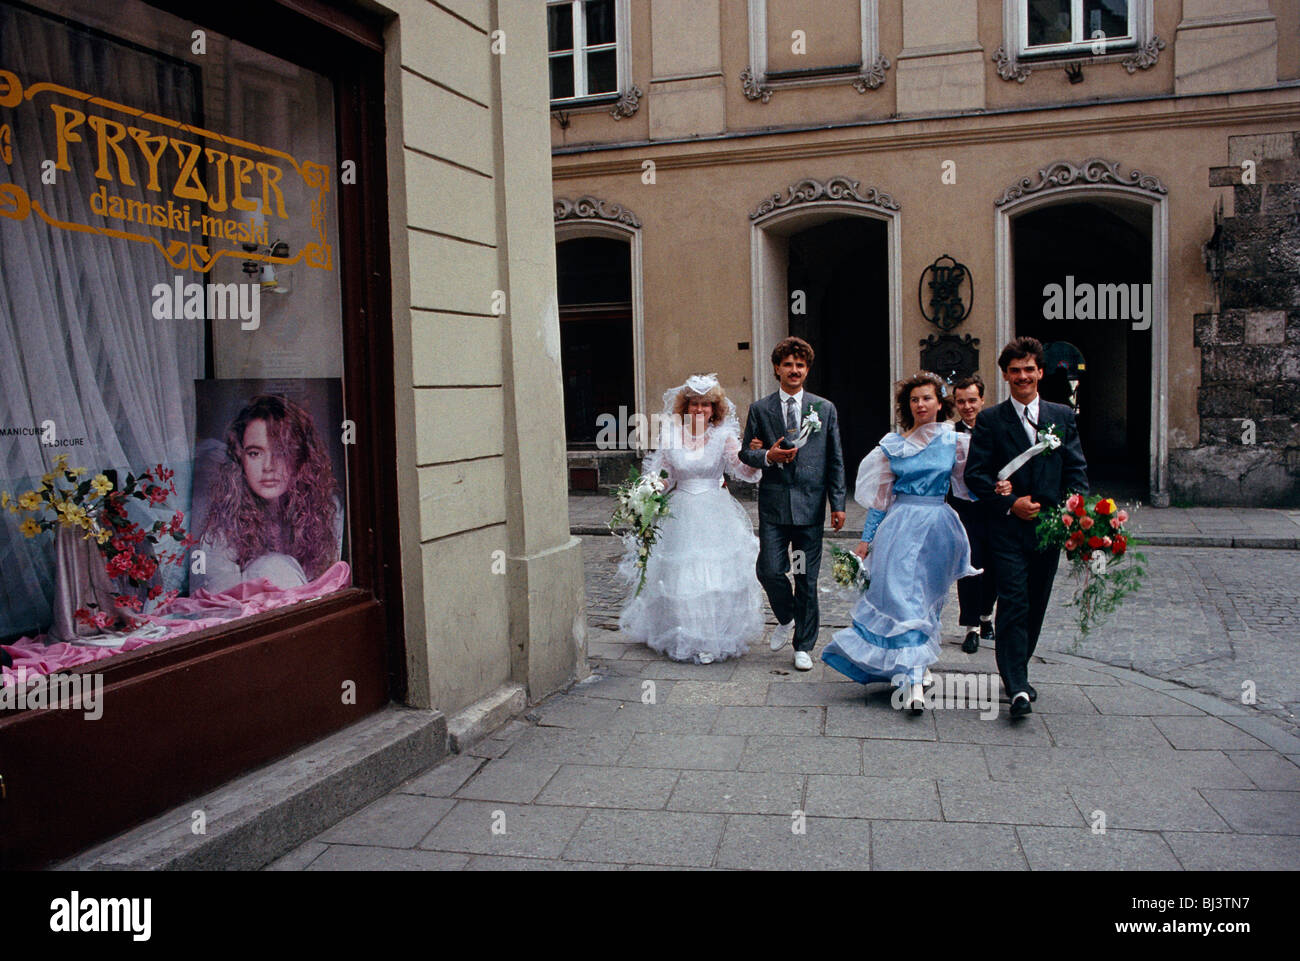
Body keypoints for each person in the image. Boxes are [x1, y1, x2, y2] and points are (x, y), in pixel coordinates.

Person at [821, 372, 979, 712]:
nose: (921, 404)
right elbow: (881, 502)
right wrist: (866, 541)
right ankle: (912, 680)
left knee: (924, 602)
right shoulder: (893, 446)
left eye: (927, 398)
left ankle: (917, 667)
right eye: (914, 399)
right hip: (900, 528)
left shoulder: (955, 441)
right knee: (903, 601)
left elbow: (971, 486)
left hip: (938, 528)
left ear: (940, 402)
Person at [965, 337, 1088, 719]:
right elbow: (976, 474)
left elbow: (1076, 470)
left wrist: (1078, 513)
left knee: (1036, 602)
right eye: (1015, 371)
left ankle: (1019, 667)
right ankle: (1016, 683)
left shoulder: (1061, 416)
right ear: (1005, 375)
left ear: (1040, 372)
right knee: (1014, 601)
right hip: (1006, 530)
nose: (1023, 376)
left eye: (1029, 370)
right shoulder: (990, 420)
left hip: (1048, 528)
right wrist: (1009, 503)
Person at [618, 374, 765, 664]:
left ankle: (712, 636)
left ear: (715, 409)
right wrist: (646, 493)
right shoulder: (671, 435)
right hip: (680, 512)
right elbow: (664, 476)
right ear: (685, 408)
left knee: (713, 576)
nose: (699, 410)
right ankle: (683, 633)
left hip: (715, 511)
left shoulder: (725, 436)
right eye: (694, 404)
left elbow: (742, 471)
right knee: (681, 577)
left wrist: (757, 456)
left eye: (706, 405)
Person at [739, 337, 846, 671]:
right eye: (788, 364)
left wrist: (838, 503)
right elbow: (747, 452)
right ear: (777, 368)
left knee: (805, 577)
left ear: (807, 370)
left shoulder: (823, 409)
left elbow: (836, 459)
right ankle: (785, 616)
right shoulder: (761, 409)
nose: (794, 370)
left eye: (800, 365)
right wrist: (767, 455)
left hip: (810, 508)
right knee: (769, 569)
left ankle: (804, 645)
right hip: (774, 506)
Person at [195, 394, 343, 594]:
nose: (269, 467)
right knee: (271, 566)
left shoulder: (325, 509)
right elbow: (220, 600)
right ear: (240, 458)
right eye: (255, 453)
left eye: (281, 452)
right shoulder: (224, 517)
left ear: (300, 457)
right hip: (250, 620)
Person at [949, 373, 997, 654]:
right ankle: (971, 628)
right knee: (968, 565)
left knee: (994, 567)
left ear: (982, 400)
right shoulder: (949, 433)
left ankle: (986, 615)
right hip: (963, 507)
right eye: (961, 402)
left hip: (992, 506)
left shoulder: (997, 428)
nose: (967, 407)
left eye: (972, 401)